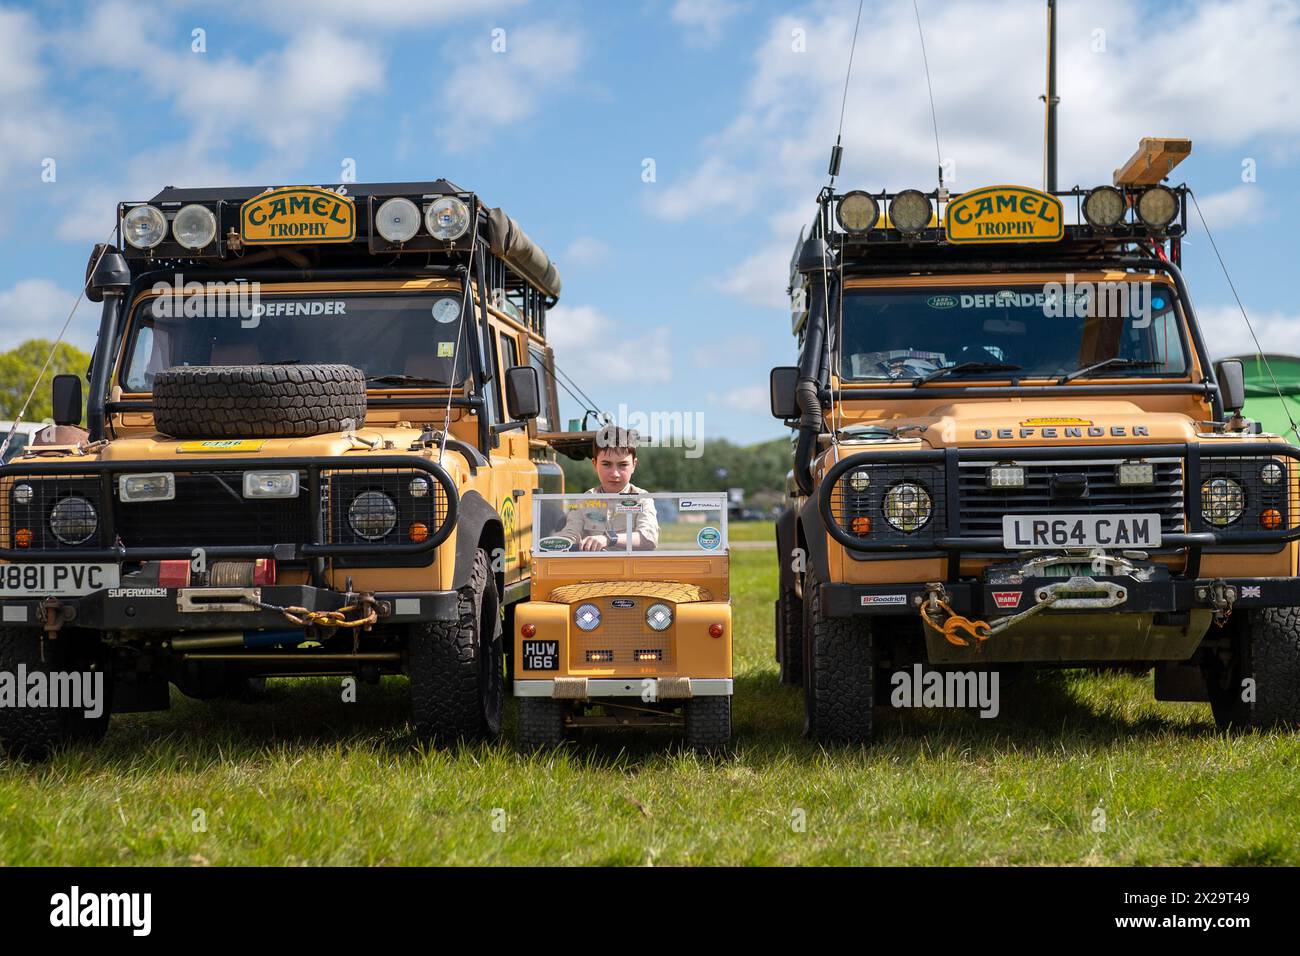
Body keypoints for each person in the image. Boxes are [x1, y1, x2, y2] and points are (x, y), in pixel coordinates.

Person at [557, 425, 659, 551]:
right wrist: (550, 544)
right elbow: (570, 535)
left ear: (633, 465)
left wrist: (609, 539)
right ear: (595, 464)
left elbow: (648, 539)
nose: (614, 474)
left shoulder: (642, 499)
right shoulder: (584, 501)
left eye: (623, 465)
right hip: (596, 569)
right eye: (606, 464)